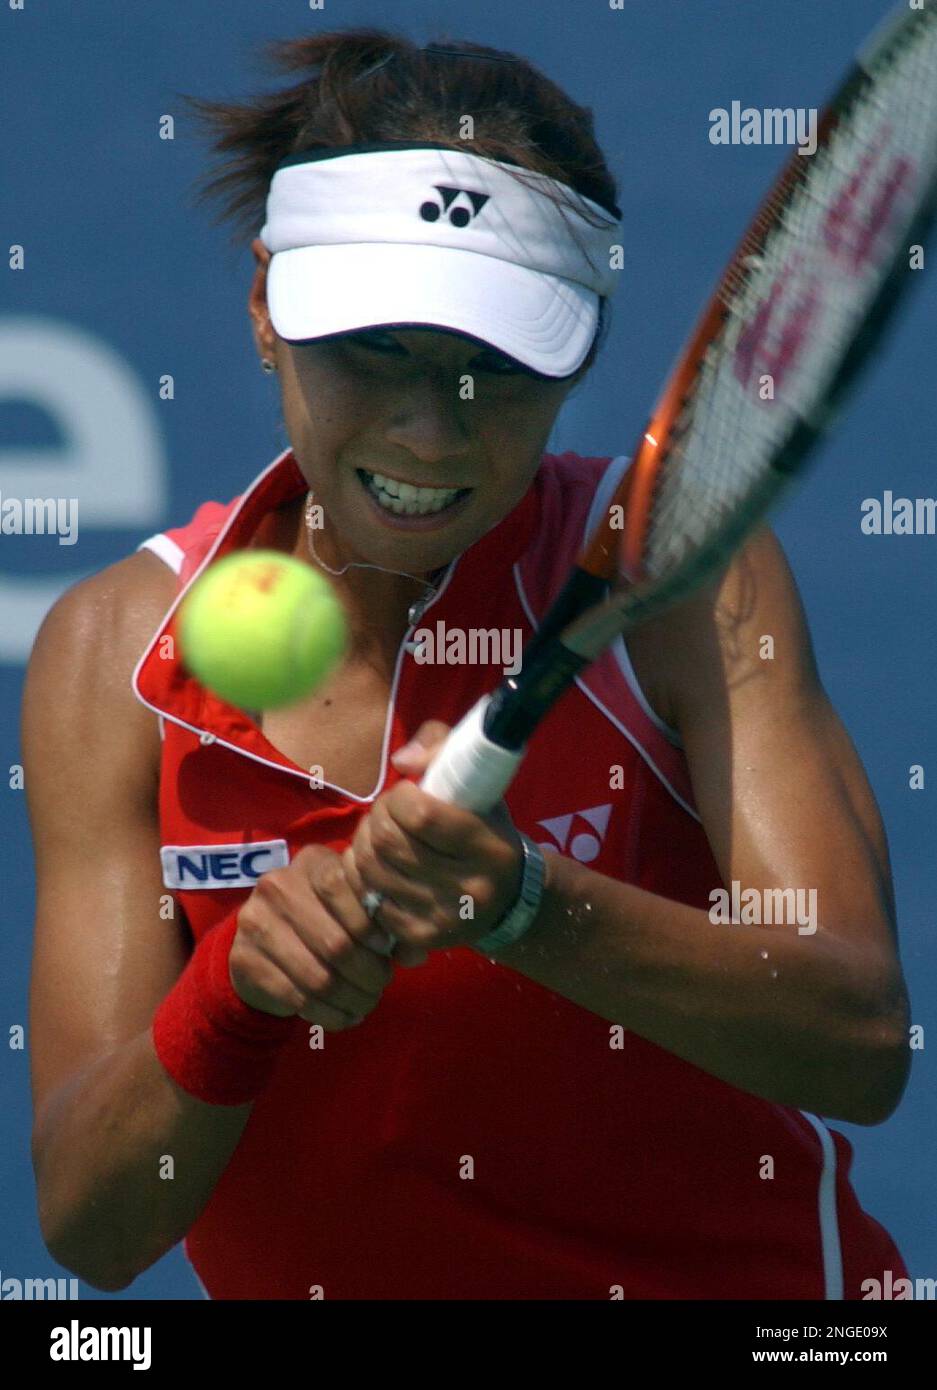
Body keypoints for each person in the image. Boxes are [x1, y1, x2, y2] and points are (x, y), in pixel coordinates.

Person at [24, 29, 911, 1300]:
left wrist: (524, 907)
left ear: (582, 352)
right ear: (268, 304)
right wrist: (236, 990)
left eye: (492, 369)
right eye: (372, 349)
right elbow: (91, 1229)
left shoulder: (681, 580)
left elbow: (860, 1037)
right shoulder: (111, 654)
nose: (429, 431)